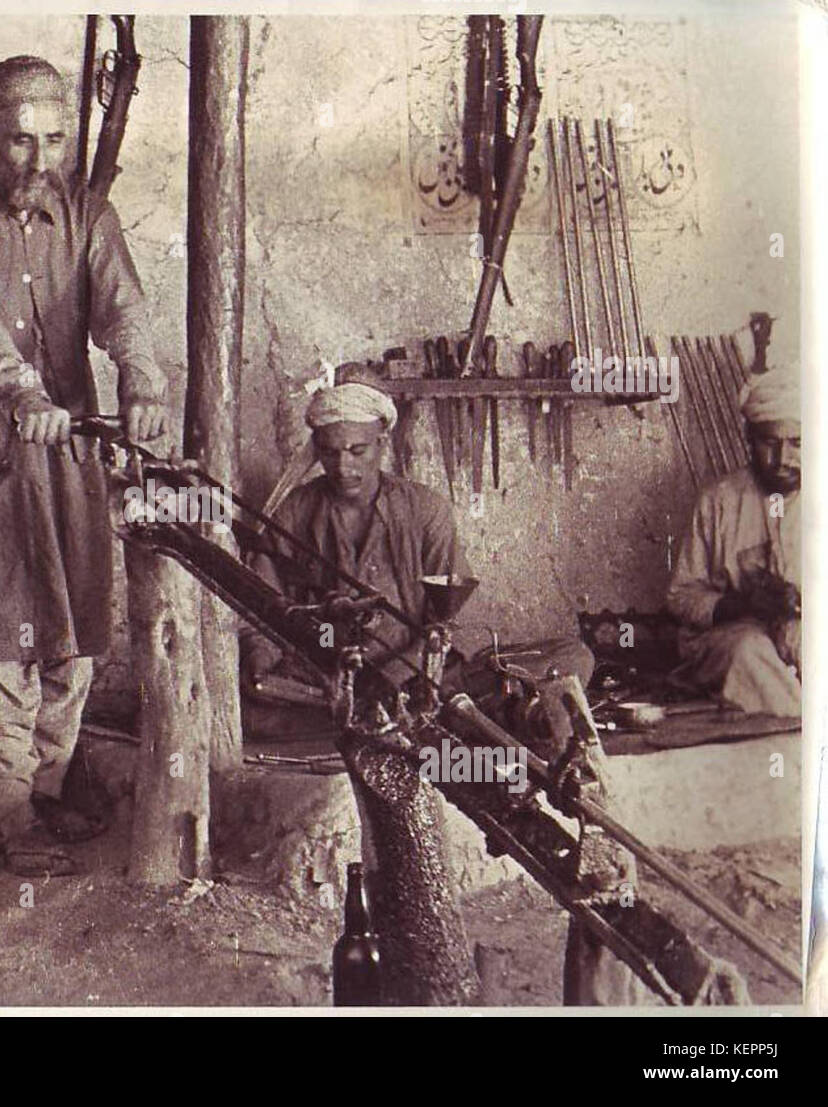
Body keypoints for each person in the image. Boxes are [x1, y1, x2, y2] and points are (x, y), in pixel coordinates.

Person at [243, 379, 642, 1005]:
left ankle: (518, 726)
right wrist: (326, 627)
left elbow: (440, 618)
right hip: (335, 684)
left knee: (570, 658)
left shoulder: (424, 508)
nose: (345, 465)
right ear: (316, 450)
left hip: (423, 675)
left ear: (383, 444)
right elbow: (270, 618)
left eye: (359, 450)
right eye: (332, 451)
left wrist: (418, 654)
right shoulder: (293, 514)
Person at [0, 55, 168, 876]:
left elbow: (123, 309)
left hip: (69, 448)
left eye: (53, 139)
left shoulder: (92, 215)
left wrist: (143, 379)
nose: (38, 159)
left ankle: (51, 782)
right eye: (19, 140)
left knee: (74, 618)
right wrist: (19, 394)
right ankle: (8, 808)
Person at [666, 369, 800, 716]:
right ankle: (801, 735)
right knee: (748, 650)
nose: (783, 458)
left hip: (800, 634)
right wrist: (742, 604)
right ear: (748, 438)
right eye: (769, 442)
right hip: (730, 640)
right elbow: (680, 597)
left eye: (798, 442)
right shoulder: (719, 501)